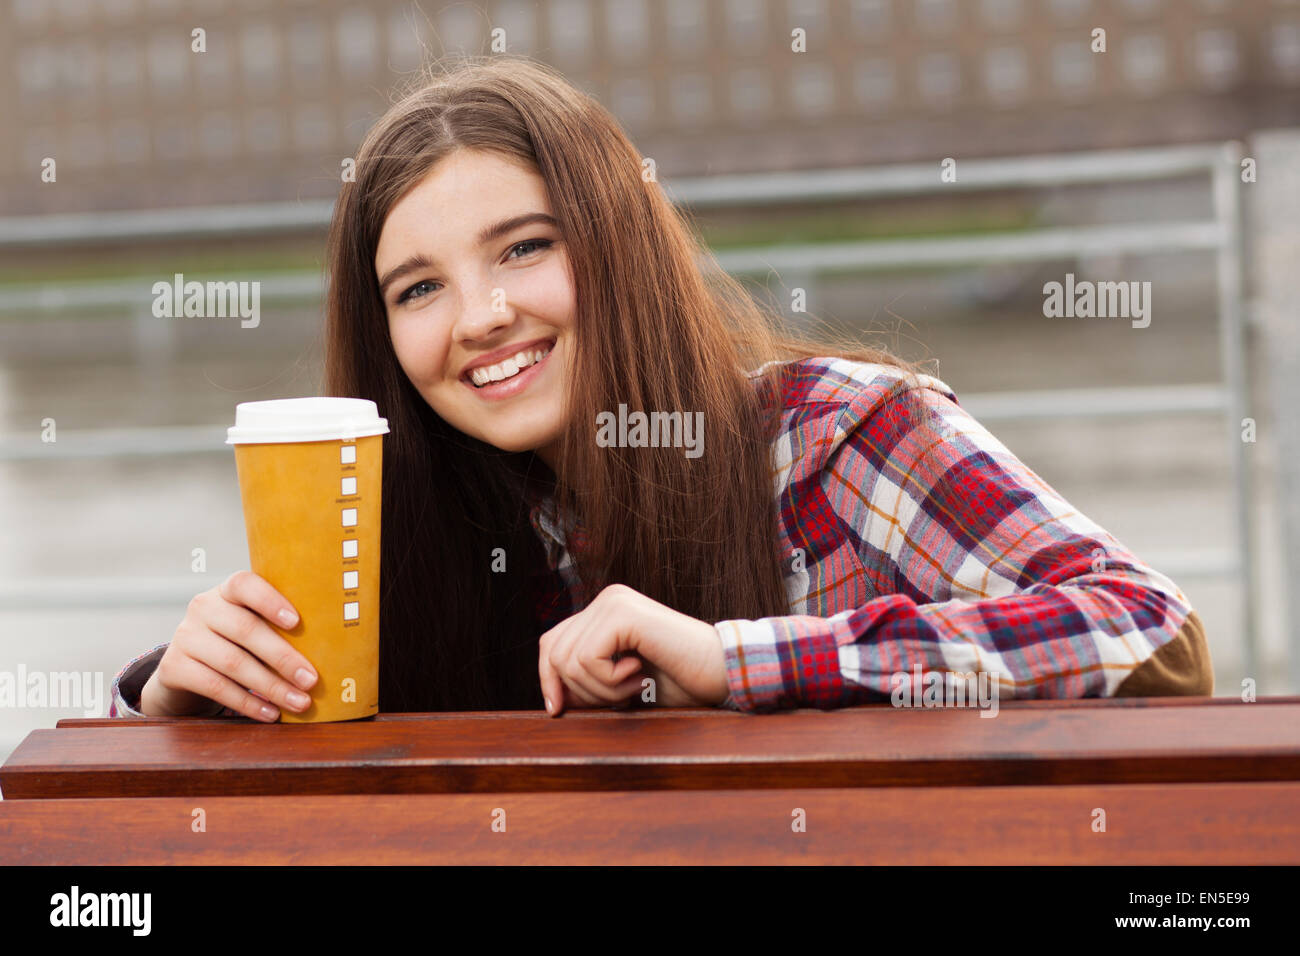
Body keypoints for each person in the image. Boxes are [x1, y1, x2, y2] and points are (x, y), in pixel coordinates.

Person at [109, 56, 1212, 722]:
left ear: (618, 241)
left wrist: (736, 662)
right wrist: (180, 707)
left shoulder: (838, 439)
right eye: (416, 288)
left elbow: (1151, 636)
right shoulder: (406, 523)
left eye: (525, 247)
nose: (480, 315)